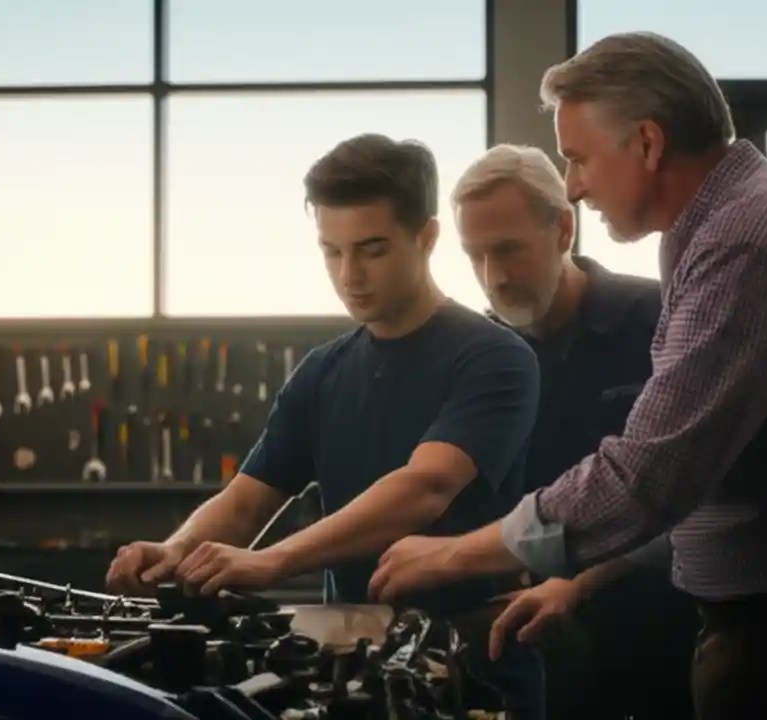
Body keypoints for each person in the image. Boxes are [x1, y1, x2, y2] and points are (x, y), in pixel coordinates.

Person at [369, 31, 767, 720]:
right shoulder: (726, 226)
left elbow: (650, 476)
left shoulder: (748, 242)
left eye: (579, 158)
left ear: (648, 143)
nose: (574, 186)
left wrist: (455, 557)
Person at [104, 133, 545, 717]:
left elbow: (425, 488)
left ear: (428, 237)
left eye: (372, 249)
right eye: (332, 252)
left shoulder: (496, 358)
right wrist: (175, 551)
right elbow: (243, 505)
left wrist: (274, 560)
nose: (350, 275)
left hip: (476, 675)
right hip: (354, 673)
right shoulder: (323, 371)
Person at [451, 142, 698, 719]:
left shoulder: (664, 317)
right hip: (534, 653)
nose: (495, 277)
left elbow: (690, 494)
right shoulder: (483, 357)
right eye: (475, 256)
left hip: (667, 641)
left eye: (509, 250)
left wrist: (580, 584)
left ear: (564, 229)